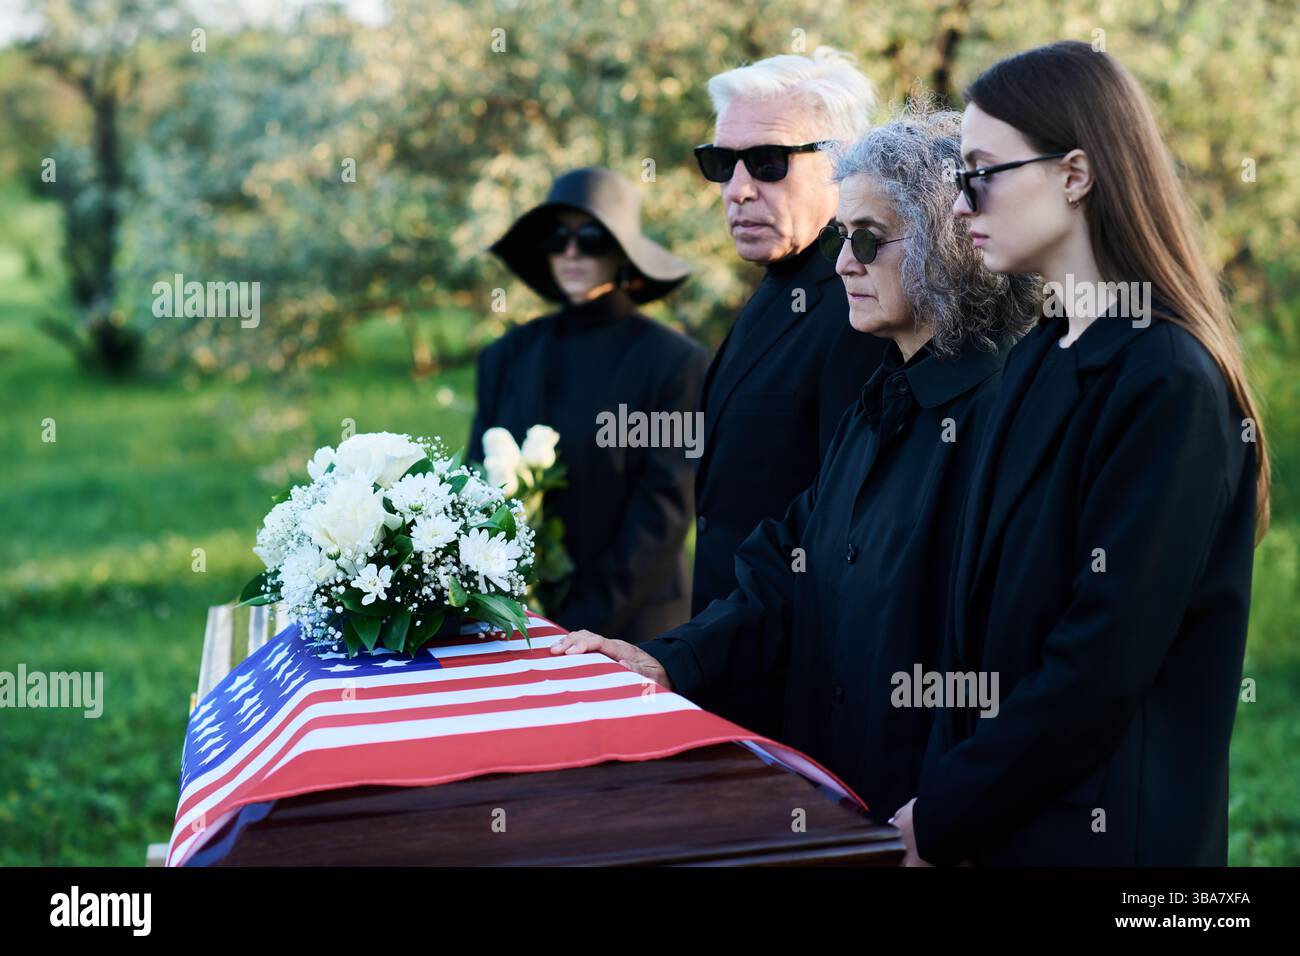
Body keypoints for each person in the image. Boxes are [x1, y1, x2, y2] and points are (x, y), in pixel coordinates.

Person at [549, 108, 1038, 817]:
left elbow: (1016, 666)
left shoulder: (1006, 423)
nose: (843, 262)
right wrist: (668, 658)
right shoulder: (881, 397)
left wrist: (950, 811)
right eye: (843, 238)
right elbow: (787, 568)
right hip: (834, 799)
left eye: (867, 240)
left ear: (949, 245)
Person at [891, 41, 1270, 866]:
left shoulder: (1166, 380)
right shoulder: (1036, 355)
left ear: (1074, 174)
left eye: (981, 172)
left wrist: (950, 812)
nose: (959, 205)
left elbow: (1100, 664)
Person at [686, 47, 890, 737]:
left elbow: (845, 534)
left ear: (843, 160)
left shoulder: (862, 303)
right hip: (731, 669)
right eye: (722, 163)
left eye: (769, 162)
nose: (739, 188)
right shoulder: (780, 284)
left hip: (802, 696)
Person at [470, 166, 709, 643]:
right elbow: (475, 484)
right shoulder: (506, 356)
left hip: (634, 628)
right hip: (515, 622)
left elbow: (663, 511)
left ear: (621, 251)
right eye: (559, 237)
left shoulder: (675, 363)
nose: (572, 252)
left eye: (592, 237)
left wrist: (581, 623)